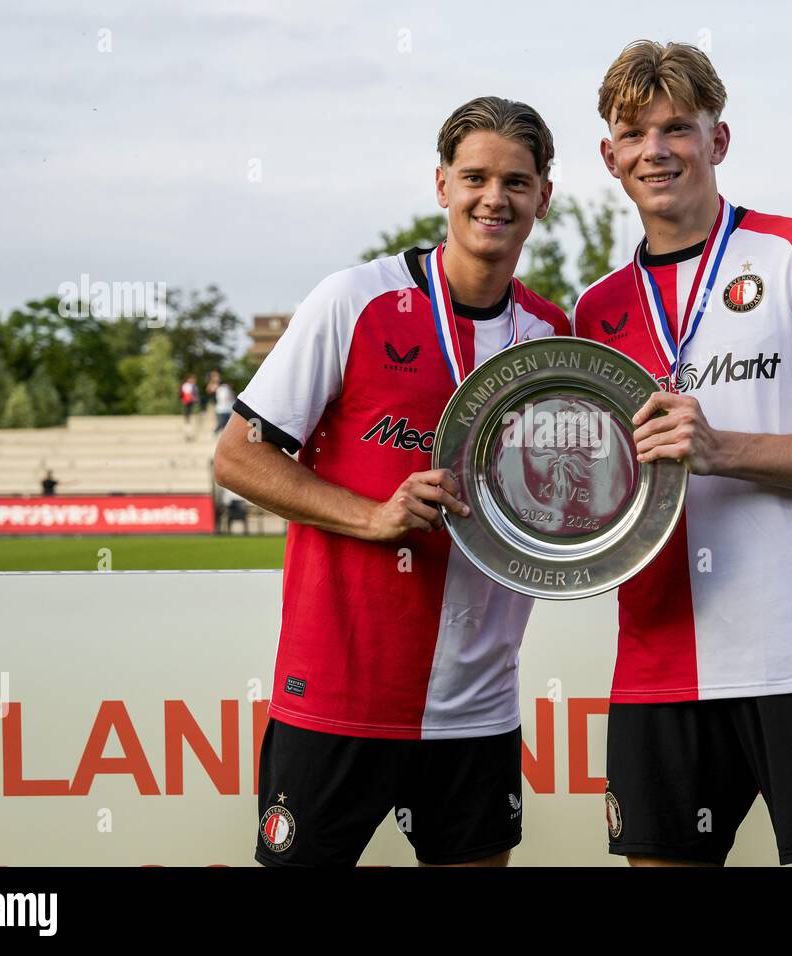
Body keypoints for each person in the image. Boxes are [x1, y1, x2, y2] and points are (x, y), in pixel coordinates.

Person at [572, 41, 792, 868]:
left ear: (718, 141)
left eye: (677, 127)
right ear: (609, 156)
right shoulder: (595, 311)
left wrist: (721, 448)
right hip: (660, 668)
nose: (657, 149)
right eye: (634, 132)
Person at [214, 96, 568, 867]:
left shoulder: (552, 337)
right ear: (441, 184)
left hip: (477, 706)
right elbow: (238, 455)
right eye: (474, 176)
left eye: (516, 180)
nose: (493, 197)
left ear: (544, 195)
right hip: (339, 694)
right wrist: (374, 516)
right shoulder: (356, 300)